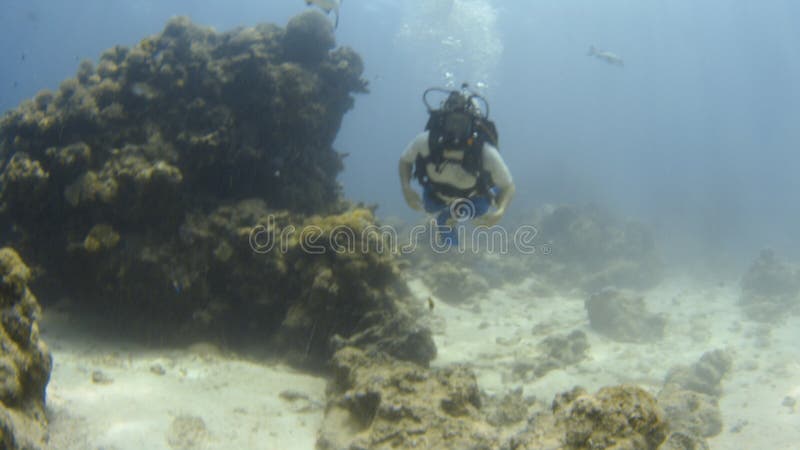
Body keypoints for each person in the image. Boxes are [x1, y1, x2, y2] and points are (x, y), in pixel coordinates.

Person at [398, 84, 515, 246]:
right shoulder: (425, 141)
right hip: (436, 194)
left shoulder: (485, 152)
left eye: (462, 124)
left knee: (480, 210)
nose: (455, 131)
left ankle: (481, 196)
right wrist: (406, 188)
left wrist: (500, 211)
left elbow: (508, 186)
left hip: (472, 198)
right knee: (429, 207)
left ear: (472, 125)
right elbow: (405, 160)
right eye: (452, 122)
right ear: (442, 121)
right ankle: (447, 219)